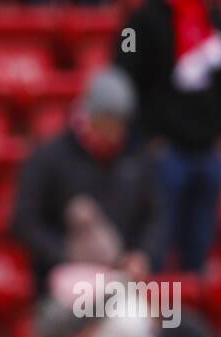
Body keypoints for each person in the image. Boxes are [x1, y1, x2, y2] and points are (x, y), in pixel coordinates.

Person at [12, 67, 164, 293]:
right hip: (65, 281)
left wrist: (142, 254)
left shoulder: (138, 159)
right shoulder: (50, 158)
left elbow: (156, 214)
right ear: (89, 116)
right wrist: (66, 255)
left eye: (119, 125)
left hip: (123, 276)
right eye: (106, 123)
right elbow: (25, 221)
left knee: (137, 322)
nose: (113, 134)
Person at [115, 0, 221, 273]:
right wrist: (148, 136)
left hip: (208, 149)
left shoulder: (214, 19)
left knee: (200, 241)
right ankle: (155, 309)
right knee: (157, 240)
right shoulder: (144, 20)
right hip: (164, 151)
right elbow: (126, 78)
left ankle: (192, 309)